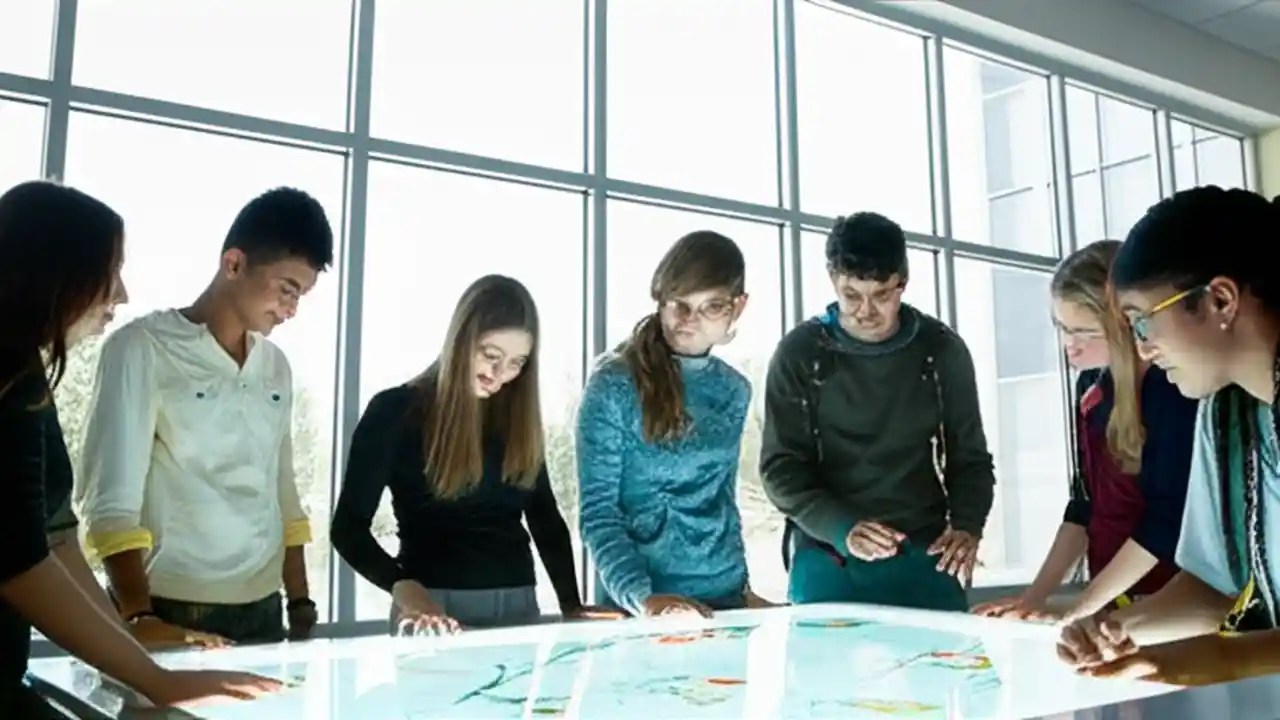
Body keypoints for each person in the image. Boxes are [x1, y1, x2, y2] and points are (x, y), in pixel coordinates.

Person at [0, 180, 282, 715]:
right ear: (55, 272)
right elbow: (20, 560)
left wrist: (135, 662)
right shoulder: (16, 379)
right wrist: (154, 676)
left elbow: (56, 537)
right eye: (108, 274)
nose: (121, 295)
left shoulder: (26, 375)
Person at [76, 187, 333, 647]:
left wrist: (300, 602)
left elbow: (283, 490)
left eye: (303, 296)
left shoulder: (276, 366)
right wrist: (139, 618)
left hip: (265, 612)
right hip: (169, 608)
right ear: (233, 264)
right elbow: (111, 499)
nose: (293, 310)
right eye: (287, 290)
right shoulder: (141, 348)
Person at [1057, 187, 1280, 686]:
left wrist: (1224, 659)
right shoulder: (1223, 417)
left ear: (1220, 299)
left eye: (1141, 321)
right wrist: (1116, 632)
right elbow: (1212, 588)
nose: (1143, 347)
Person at [333, 275, 618, 632]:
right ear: (461, 340)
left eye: (517, 363)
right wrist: (404, 587)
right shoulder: (394, 411)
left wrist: (571, 604)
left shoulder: (517, 420)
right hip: (430, 609)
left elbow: (544, 518)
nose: (500, 375)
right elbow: (347, 528)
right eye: (491, 356)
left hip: (518, 605)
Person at [760, 212, 995, 611]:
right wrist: (843, 528)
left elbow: (969, 458)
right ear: (834, 280)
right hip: (828, 552)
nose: (866, 310)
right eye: (852, 295)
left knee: (954, 671)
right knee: (823, 674)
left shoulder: (941, 351)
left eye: (882, 295)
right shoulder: (801, 353)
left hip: (924, 550)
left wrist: (968, 525)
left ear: (902, 282)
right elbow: (780, 469)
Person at [973, 241, 1197, 623]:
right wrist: (1035, 597)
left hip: (1176, 606)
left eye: (1082, 332)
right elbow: (1083, 504)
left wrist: (1082, 607)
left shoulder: (1174, 390)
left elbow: (1168, 520)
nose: (1068, 346)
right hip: (1113, 600)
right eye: (1061, 328)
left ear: (1123, 325)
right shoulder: (1091, 389)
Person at [578, 230, 771, 618]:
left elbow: (721, 501)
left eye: (711, 307)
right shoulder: (613, 384)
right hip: (643, 606)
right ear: (660, 301)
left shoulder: (734, 389)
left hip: (726, 600)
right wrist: (643, 599)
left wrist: (744, 587)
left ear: (738, 306)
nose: (688, 321)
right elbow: (599, 514)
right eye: (677, 304)